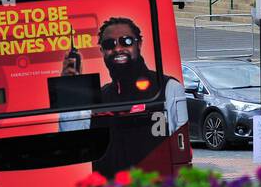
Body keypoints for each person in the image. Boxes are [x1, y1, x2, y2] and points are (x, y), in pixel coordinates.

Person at [59, 17, 187, 175]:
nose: (118, 48)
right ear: (102, 51)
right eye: (109, 44)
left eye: (126, 41)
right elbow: (73, 145)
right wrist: (69, 86)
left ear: (139, 44)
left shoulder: (168, 88)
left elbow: (181, 147)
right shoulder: (97, 98)